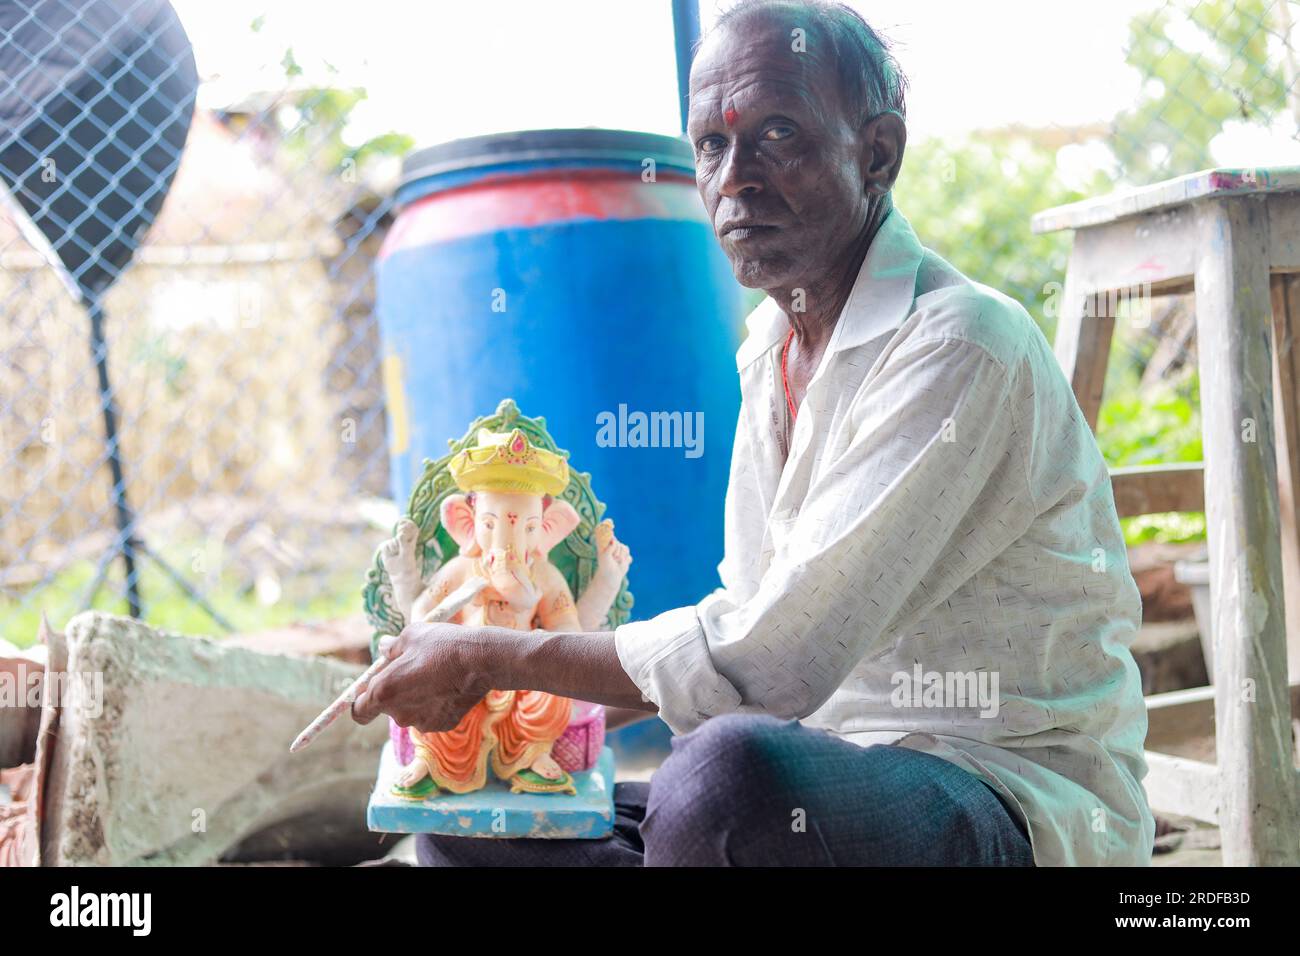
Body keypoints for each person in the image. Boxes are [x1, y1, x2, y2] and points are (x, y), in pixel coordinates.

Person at [353, 0, 1154, 867]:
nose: (734, 178)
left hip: (996, 793)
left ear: (877, 154)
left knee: (723, 783)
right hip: (813, 784)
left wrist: (494, 658)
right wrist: (508, 713)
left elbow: (770, 664)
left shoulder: (960, 346)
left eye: (777, 135)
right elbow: (741, 619)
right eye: (711, 146)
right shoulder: (770, 347)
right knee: (475, 815)